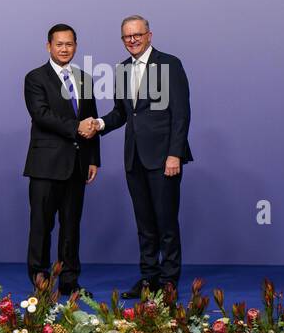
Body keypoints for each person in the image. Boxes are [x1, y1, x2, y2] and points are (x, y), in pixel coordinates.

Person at [95, 15, 192, 298]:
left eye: (138, 35)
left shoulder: (169, 64)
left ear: (149, 35)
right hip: (134, 158)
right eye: (127, 37)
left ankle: (169, 280)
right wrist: (99, 124)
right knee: (145, 224)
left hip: (164, 159)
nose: (133, 40)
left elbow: (181, 114)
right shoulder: (123, 69)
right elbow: (122, 113)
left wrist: (175, 154)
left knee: (166, 222)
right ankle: (149, 279)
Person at [23, 23, 101, 296]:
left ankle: (69, 279)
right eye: (59, 44)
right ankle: (40, 277)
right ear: (49, 46)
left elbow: (92, 118)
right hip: (45, 165)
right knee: (41, 225)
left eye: (69, 44)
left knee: (71, 226)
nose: (65, 49)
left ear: (76, 46)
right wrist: (75, 128)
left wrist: (94, 158)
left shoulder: (85, 79)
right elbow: (41, 114)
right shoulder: (35, 78)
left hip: (77, 164)